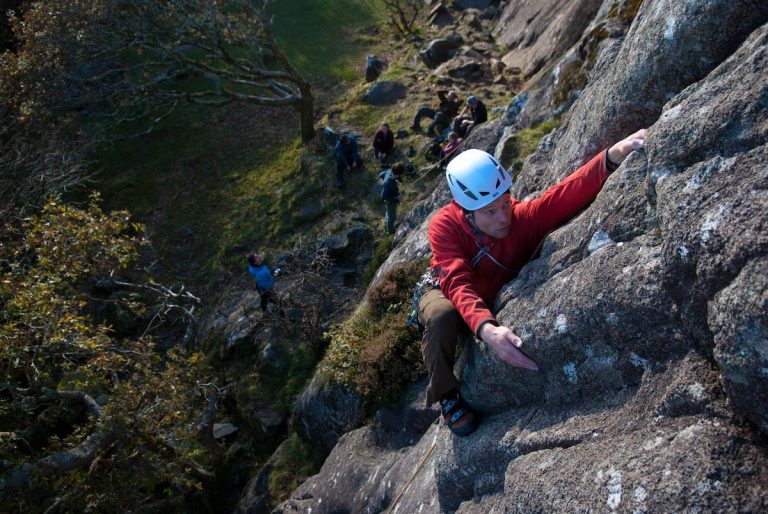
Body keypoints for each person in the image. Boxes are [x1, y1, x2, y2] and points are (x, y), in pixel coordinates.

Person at [415, 129, 647, 436]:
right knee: (440, 316)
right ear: (467, 213)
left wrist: (611, 157)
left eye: (505, 203)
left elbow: (559, 198)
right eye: (489, 212)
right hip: (445, 290)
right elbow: (456, 281)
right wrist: (488, 329)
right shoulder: (445, 225)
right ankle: (446, 394)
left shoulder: (519, 219)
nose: (503, 217)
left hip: (485, 296)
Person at [380, 162, 405, 235]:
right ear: (398, 174)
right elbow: (383, 196)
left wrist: (398, 181)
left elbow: (381, 174)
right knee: (392, 217)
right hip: (390, 201)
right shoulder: (388, 183)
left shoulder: (389, 171)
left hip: (392, 197)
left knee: (388, 213)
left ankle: (386, 224)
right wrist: (396, 197)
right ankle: (390, 231)